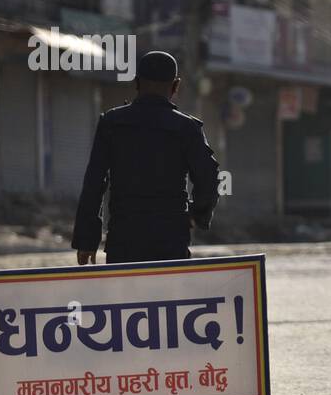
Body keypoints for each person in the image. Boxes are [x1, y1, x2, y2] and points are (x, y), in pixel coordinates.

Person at [72, 50, 220, 264]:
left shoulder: (112, 123)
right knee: (167, 297)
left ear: (136, 82)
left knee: (126, 297)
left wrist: (86, 240)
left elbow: (94, 182)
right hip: (171, 242)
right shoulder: (186, 128)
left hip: (123, 241)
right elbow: (209, 177)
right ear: (175, 86)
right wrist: (197, 215)